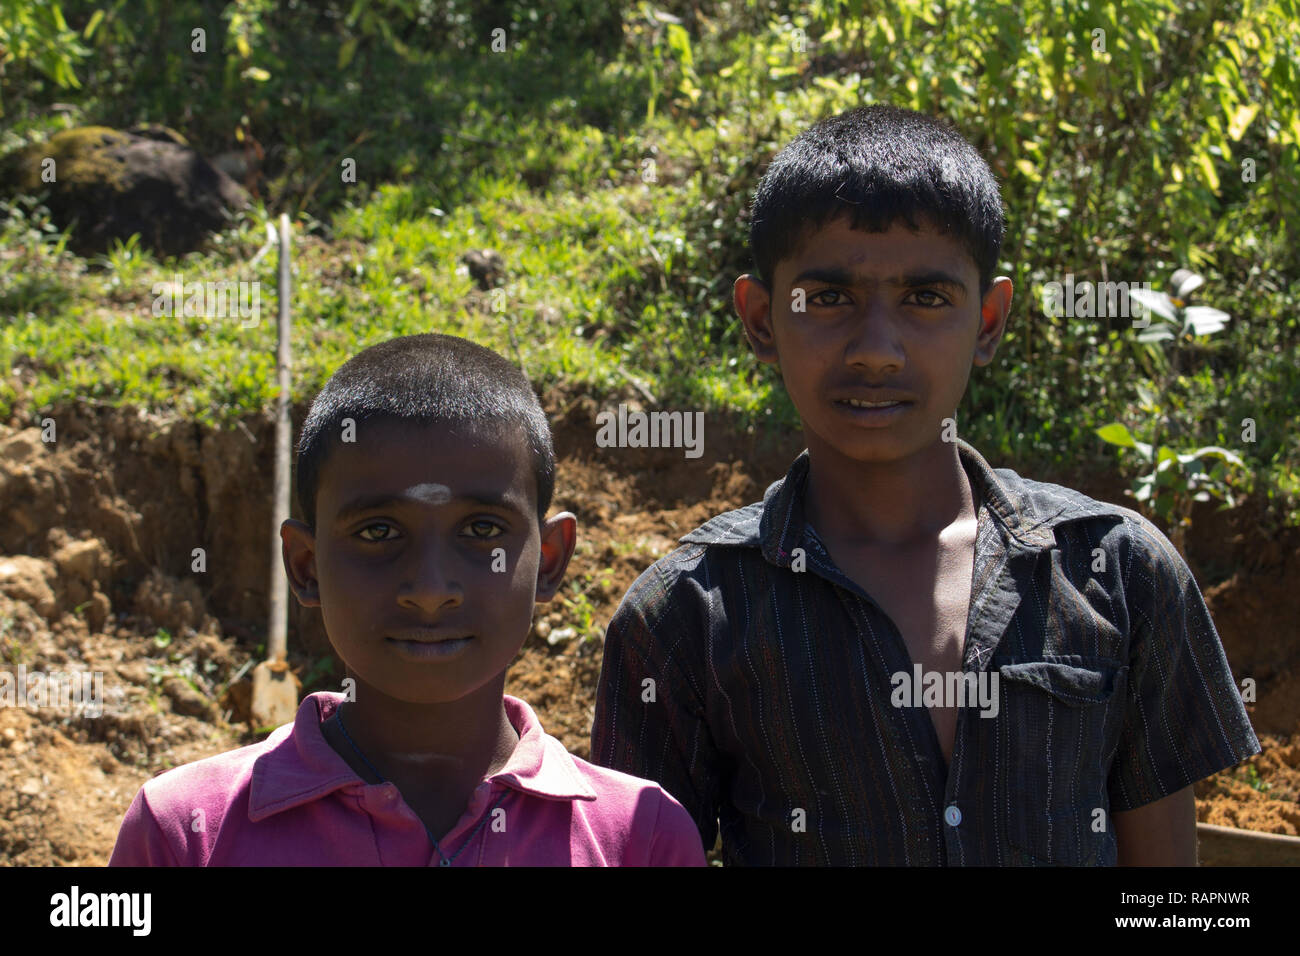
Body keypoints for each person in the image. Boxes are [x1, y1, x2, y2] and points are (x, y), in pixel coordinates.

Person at [590, 105, 1260, 866]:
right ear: (760, 318)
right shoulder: (685, 618)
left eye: (926, 298)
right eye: (829, 298)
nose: (877, 350)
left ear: (989, 320)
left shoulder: (1119, 572)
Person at [109, 333, 706, 866]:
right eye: (378, 533)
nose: (429, 590)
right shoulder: (186, 835)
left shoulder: (639, 841)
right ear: (306, 566)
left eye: (480, 531)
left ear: (548, 560)